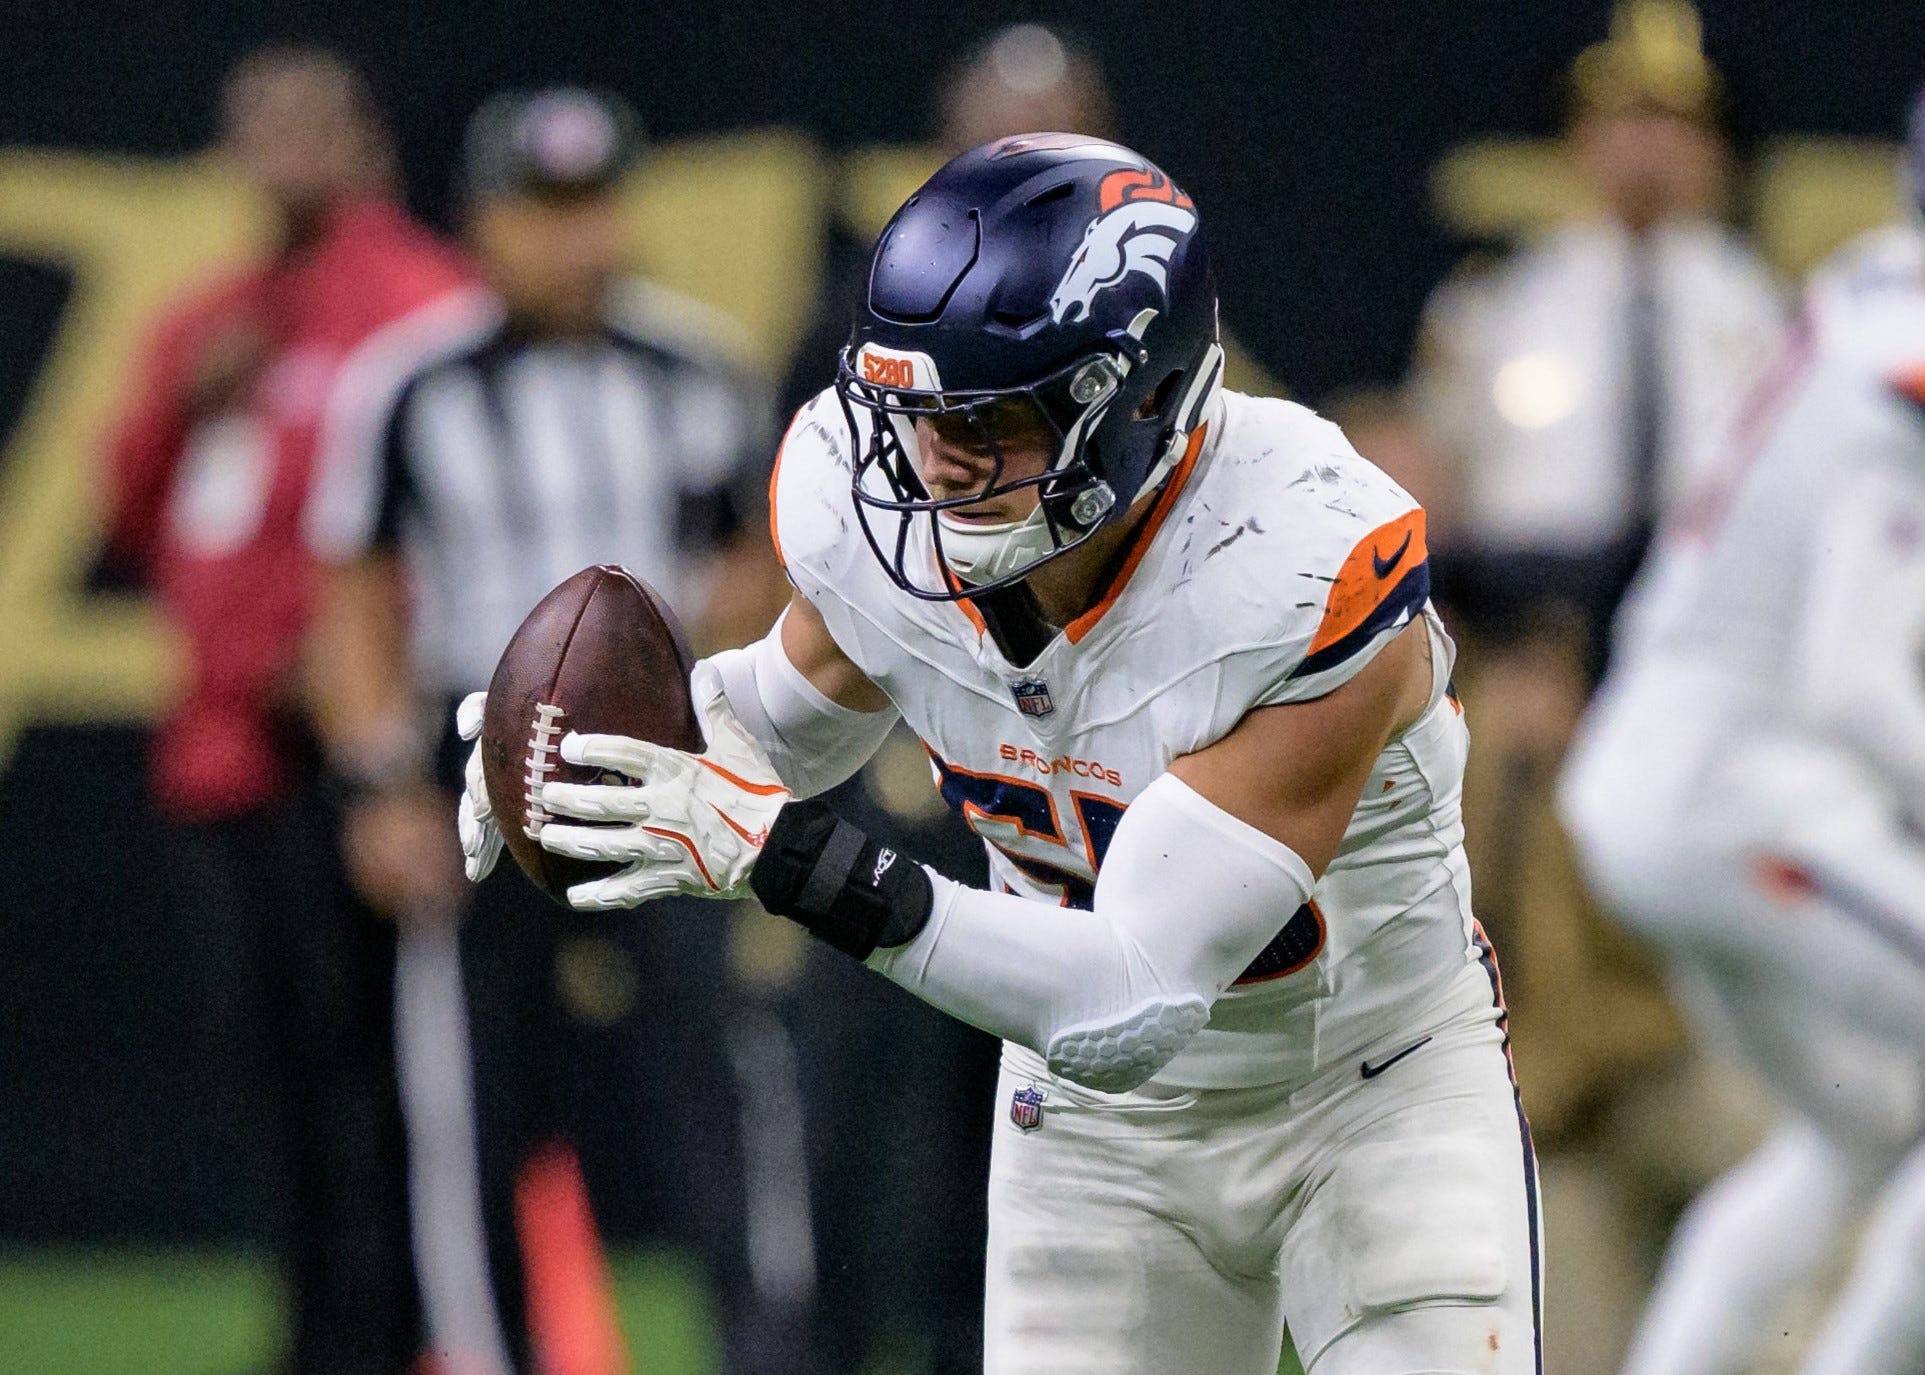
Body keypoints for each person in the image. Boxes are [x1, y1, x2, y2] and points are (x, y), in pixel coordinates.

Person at [460, 135, 1542, 1374]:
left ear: (1141, 396)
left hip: (1368, 1093)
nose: (939, 463)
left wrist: (780, 856)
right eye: (916, 415)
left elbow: (1132, 993)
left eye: (993, 420)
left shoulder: (1298, 559)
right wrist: (579, 747)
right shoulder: (881, 522)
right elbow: (781, 711)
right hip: (1097, 1135)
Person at [306, 86, 794, 1375]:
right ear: (484, 220)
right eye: (545, 211)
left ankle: (766, 1348)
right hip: (476, 764)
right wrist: (376, 783)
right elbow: (353, 599)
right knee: (473, 1099)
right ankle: (485, 1354)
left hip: (661, 763)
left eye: (595, 207)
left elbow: (755, 566)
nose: (578, 241)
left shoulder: (695, 370)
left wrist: (717, 720)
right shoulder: (410, 383)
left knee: (724, 1088)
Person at [100, 46, 467, 1374]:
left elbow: (448, 538)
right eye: (258, 126)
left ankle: (400, 1334)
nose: (283, 151)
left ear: (367, 140)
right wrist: (173, 414)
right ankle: (318, 1332)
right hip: (223, 759)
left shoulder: (421, 304)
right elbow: (132, 524)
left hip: (357, 749)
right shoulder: (212, 323)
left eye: (310, 124)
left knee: (382, 1078)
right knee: (278, 1081)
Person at [1559, 84, 1925, 1375]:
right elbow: (1850, 678)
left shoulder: (1872, 283)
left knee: (1864, 1129)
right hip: (1735, 790)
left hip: (1672, 772)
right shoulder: (1906, 353)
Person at [1415, 0, 1785, 681]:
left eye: (1677, 124)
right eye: (1621, 121)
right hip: (1537, 618)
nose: (1647, 148)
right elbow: (1443, 478)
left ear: (1717, 150)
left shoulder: (1771, 315)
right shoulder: (1498, 302)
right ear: (1576, 139)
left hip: (1720, 619)